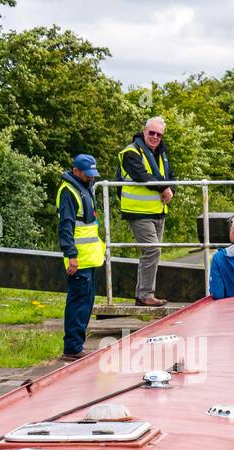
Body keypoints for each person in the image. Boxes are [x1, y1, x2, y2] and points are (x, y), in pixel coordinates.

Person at [117, 116, 175, 307]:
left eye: (159, 134)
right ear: (144, 131)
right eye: (152, 133)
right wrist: (164, 188)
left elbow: (172, 176)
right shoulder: (130, 152)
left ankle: (143, 294)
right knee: (152, 251)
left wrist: (171, 190)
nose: (155, 137)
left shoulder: (162, 153)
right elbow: (142, 176)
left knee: (151, 252)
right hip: (138, 211)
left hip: (158, 210)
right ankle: (145, 295)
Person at [56, 154, 106, 361]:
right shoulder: (68, 192)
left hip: (89, 258)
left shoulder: (83, 187)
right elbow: (65, 226)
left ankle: (77, 346)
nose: (91, 178)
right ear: (76, 171)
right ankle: (72, 348)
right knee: (78, 304)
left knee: (86, 304)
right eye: (88, 174)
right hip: (79, 260)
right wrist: (71, 255)